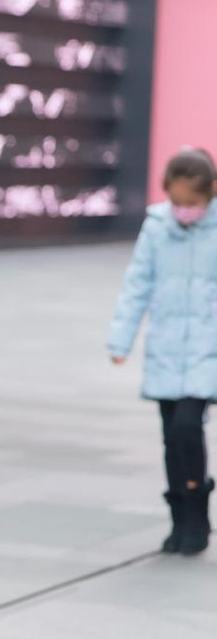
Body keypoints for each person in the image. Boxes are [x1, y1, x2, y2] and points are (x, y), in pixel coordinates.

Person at [108, 146, 217, 556]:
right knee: (171, 436)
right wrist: (121, 339)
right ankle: (179, 520)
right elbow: (137, 284)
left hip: (207, 349)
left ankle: (198, 514)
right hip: (166, 349)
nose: (183, 210)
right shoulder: (156, 228)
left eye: (191, 203)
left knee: (190, 427)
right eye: (176, 203)